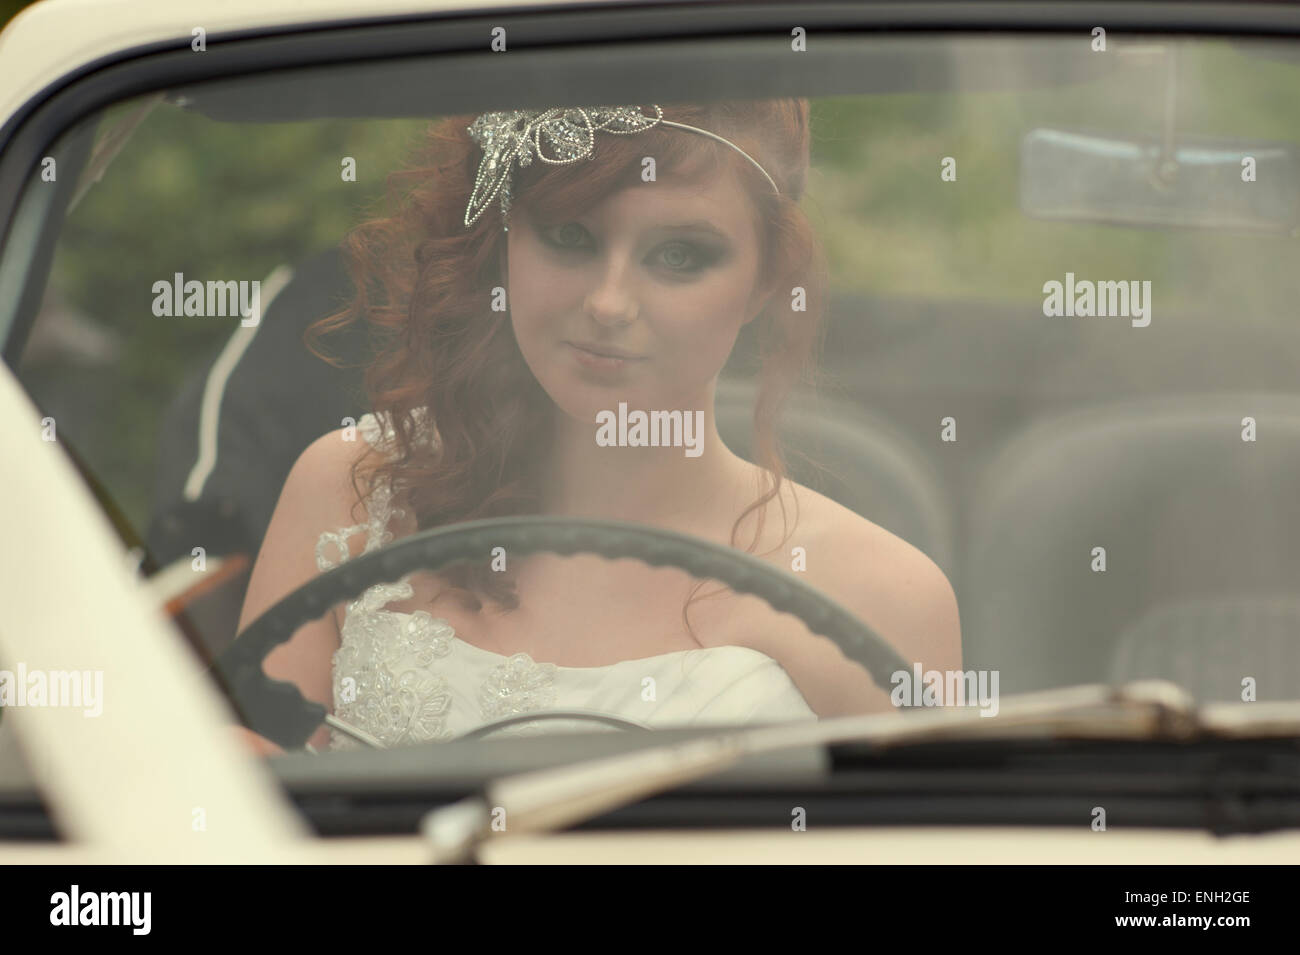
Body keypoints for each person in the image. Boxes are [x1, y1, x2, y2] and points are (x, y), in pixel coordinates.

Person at [233, 100, 961, 754]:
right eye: (570, 236)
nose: (610, 302)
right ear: (504, 244)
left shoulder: (883, 595)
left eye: (678, 255)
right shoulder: (353, 489)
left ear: (764, 282)